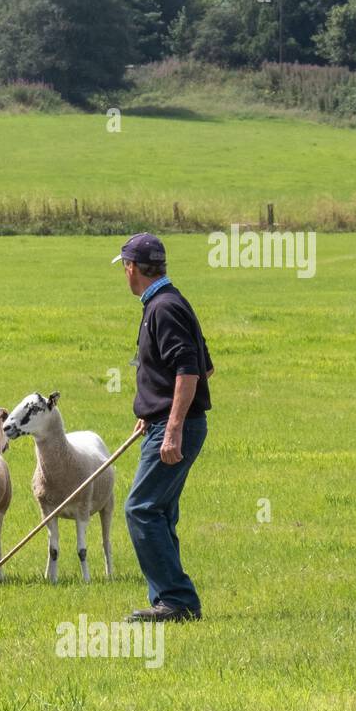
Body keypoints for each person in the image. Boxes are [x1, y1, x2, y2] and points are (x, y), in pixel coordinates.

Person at [112, 233, 213, 623]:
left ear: (132, 268)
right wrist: (153, 409)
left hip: (177, 428)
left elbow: (190, 372)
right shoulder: (169, 302)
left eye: (124, 267)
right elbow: (206, 368)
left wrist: (170, 428)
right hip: (167, 422)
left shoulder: (163, 309)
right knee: (161, 511)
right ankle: (168, 601)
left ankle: (177, 599)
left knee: (141, 508)